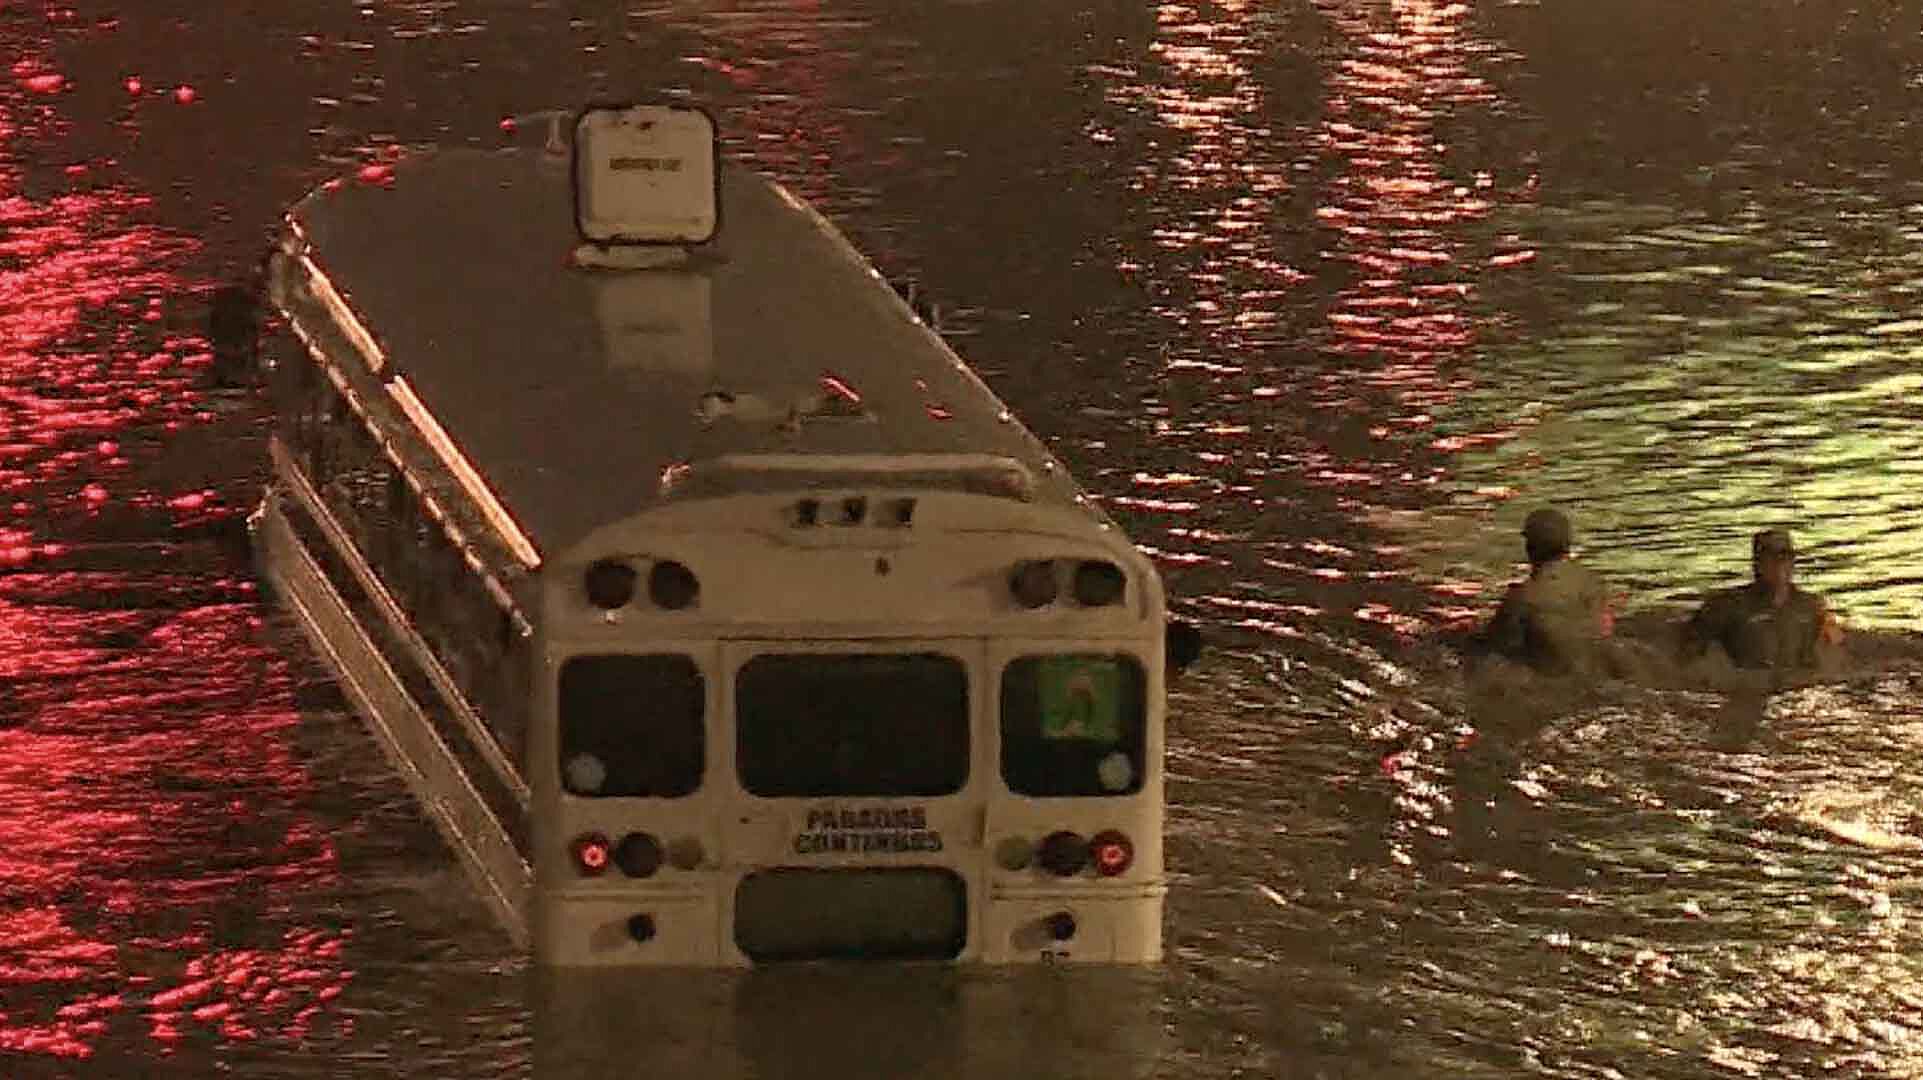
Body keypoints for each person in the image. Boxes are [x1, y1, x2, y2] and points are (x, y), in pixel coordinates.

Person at [1467, 507, 1613, 677]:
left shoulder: (1522, 597)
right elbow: (1604, 628)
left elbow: (1494, 644)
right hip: (1597, 669)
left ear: (1530, 548)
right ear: (1567, 544)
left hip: (1552, 679)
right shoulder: (1593, 582)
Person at [1679, 528, 1844, 676]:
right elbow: (1689, 652)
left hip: (1799, 690)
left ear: (1793, 562)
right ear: (1757, 564)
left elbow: (1839, 653)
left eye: (1784, 558)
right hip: (1749, 689)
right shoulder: (1728, 606)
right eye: (1771, 558)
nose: (1779, 565)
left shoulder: (1812, 607)